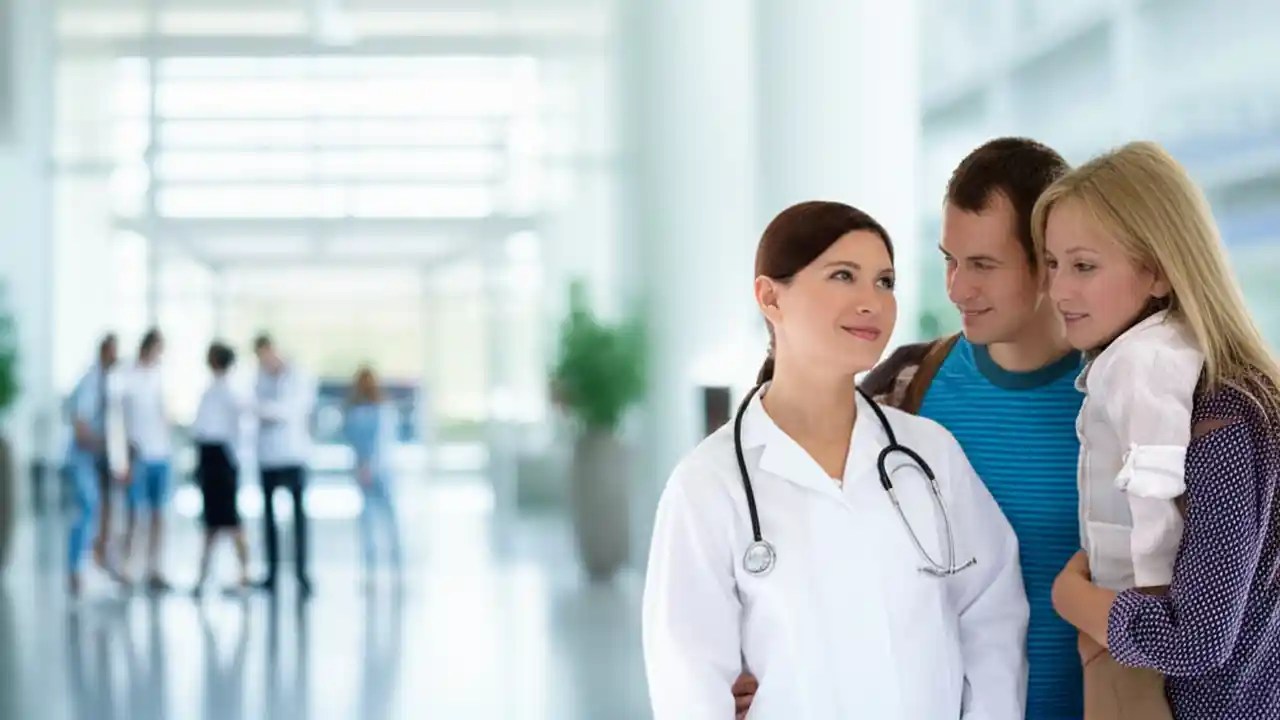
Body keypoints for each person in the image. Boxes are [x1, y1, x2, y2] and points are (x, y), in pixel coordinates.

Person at [734, 138, 1084, 718]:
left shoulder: (1129, 400)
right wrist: (759, 662)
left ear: (1048, 259)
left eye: (982, 265)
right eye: (950, 259)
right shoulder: (905, 390)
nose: (956, 288)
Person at [642, 201, 1029, 719]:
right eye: (843, 276)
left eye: (885, 282)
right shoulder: (708, 485)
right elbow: (687, 683)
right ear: (769, 296)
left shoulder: (928, 454)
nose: (871, 301)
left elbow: (992, 617)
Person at [1041, 141, 1280, 718]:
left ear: (1157, 272)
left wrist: (1072, 599)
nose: (1059, 290)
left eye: (1084, 266)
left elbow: (1195, 640)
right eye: (1052, 264)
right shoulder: (1180, 394)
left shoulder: (1223, 418)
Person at [252, 333, 316, 598]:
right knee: (268, 518)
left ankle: (301, 573)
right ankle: (272, 573)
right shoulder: (258, 379)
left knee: (298, 518)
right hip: (268, 457)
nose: (265, 360)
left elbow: (292, 410)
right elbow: (257, 409)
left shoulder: (299, 376)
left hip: (294, 456)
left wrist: (269, 411)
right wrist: (270, 411)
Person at [66, 333, 129, 596]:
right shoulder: (91, 382)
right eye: (115, 351)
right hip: (82, 456)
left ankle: (97, 563)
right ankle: (75, 570)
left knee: (101, 508)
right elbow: (81, 430)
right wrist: (104, 443)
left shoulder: (106, 382)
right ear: (105, 351)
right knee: (88, 506)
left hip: (95, 458)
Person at [191, 342, 251, 595]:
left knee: (230, 520)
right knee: (211, 522)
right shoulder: (211, 390)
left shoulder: (230, 392)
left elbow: (237, 431)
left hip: (222, 460)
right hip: (210, 459)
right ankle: (203, 576)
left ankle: (244, 574)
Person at [119, 328, 175, 591]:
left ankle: (156, 568)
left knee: (158, 514)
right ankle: (129, 566)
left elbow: (165, 414)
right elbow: (119, 418)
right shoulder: (128, 375)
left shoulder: (159, 376)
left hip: (160, 453)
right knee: (134, 513)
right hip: (137, 455)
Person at [342, 366, 403, 581]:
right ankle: (396, 561)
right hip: (383, 469)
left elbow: (358, 442)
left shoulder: (355, 411)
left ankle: (372, 564)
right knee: (389, 516)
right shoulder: (384, 409)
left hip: (367, 469)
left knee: (369, 517)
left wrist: (365, 466)